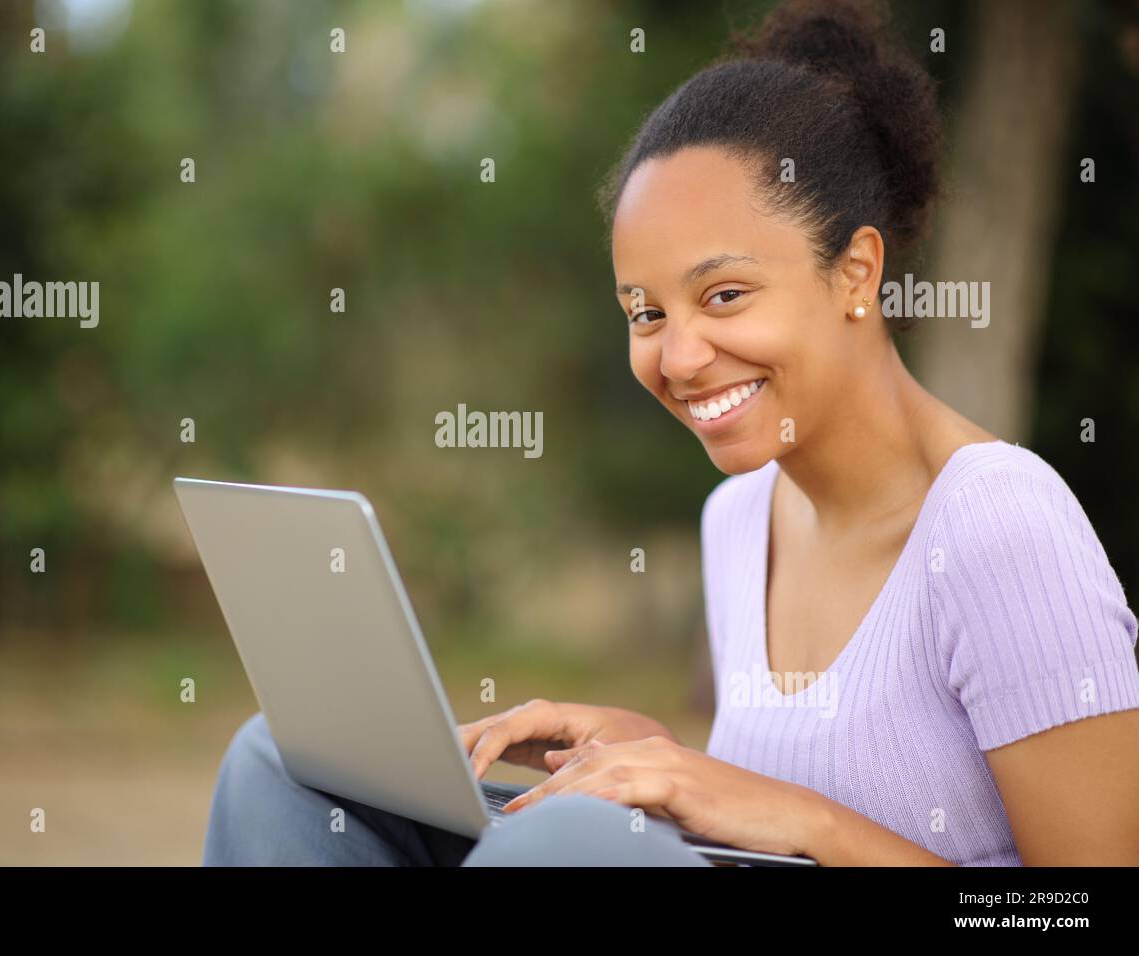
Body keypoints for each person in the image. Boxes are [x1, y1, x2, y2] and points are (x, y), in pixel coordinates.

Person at [204, 0, 1139, 865]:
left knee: (564, 847)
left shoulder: (998, 527)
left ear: (857, 272)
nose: (679, 357)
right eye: (645, 313)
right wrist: (657, 761)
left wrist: (804, 820)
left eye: (723, 295)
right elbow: (766, 818)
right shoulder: (739, 516)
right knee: (285, 768)